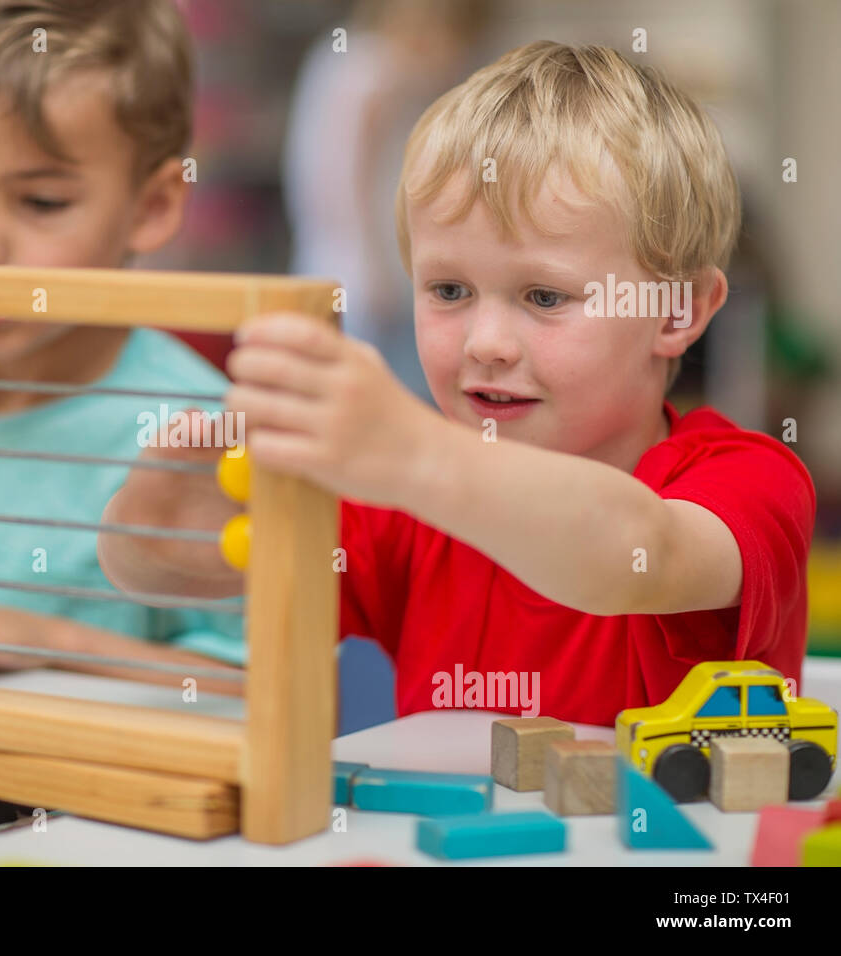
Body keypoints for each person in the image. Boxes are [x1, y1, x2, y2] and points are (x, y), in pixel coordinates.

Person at [97, 42, 815, 725]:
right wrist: (156, 517)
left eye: (544, 297)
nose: (486, 343)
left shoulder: (752, 481)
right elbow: (162, 572)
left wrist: (413, 456)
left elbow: (638, 555)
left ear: (678, 310)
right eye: (447, 290)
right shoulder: (405, 502)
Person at [0, 0, 243, 692]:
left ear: (151, 207)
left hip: (105, 798)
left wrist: (48, 640)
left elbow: (258, 689)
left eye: (41, 203)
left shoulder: (199, 435)